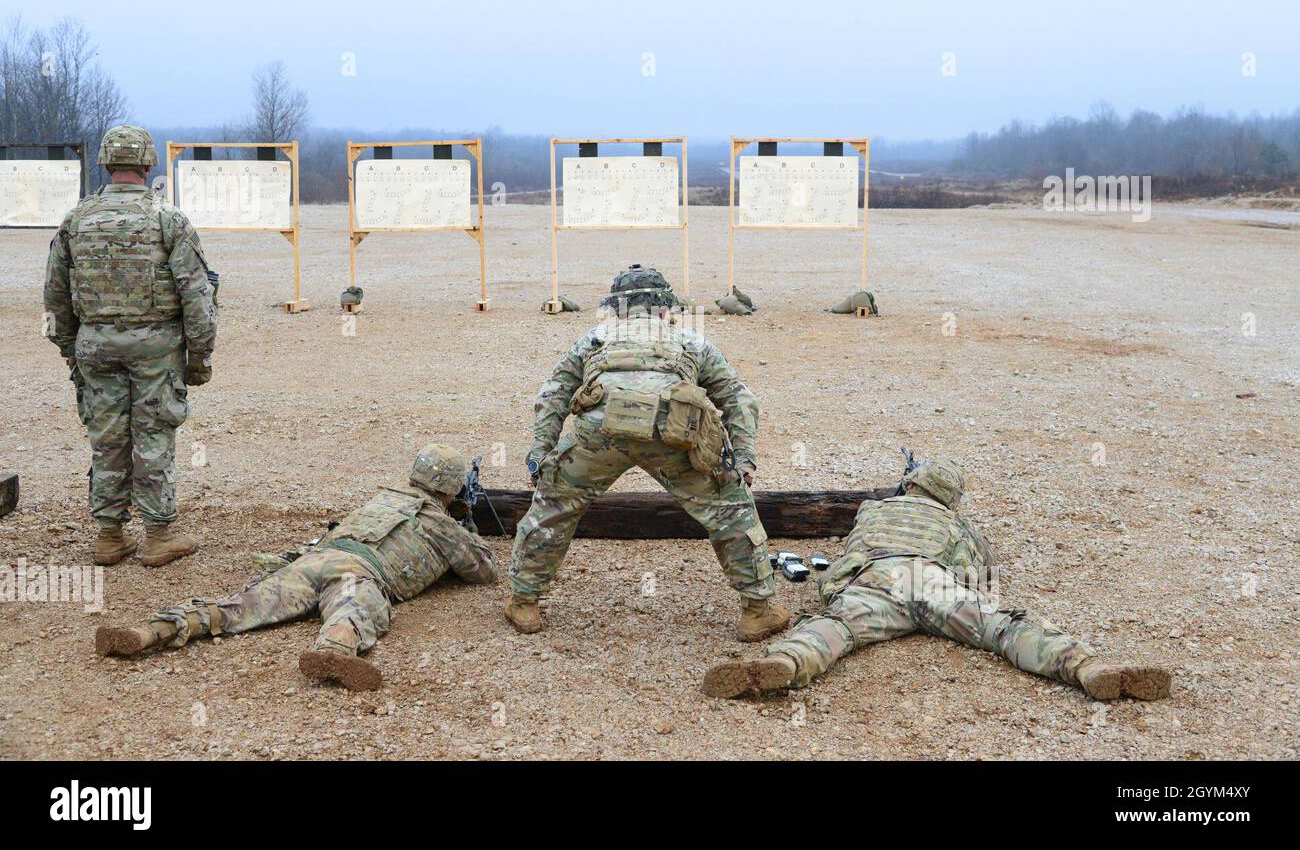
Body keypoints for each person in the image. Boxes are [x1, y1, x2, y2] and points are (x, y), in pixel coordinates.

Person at [701, 458, 1172, 702]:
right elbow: (979, 574)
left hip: (875, 580)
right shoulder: (957, 525)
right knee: (1004, 629)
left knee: (836, 631)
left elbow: (851, 553)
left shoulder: (875, 508)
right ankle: (1085, 668)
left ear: (909, 486)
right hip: (931, 582)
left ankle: (785, 663)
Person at [507, 264, 788, 642]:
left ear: (617, 309)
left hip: (598, 431)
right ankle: (758, 611)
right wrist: (742, 460)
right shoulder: (692, 341)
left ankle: (524, 603)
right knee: (729, 510)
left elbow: (552, 396)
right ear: (664, 308)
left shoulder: (593, 340)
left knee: (553, 509)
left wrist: (540, 455)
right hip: (672, 432)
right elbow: (739, 400)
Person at [95, 443, 498, 691]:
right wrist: (462, 527)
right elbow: (483, 573)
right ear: (451, 488)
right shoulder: (440, 524)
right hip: (358, 571)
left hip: (313, 561)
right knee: (356, 609)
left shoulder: (382, 498)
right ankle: (334, 651)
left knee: (239, 607)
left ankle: (149, 632)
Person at [43, 125, 217, 567]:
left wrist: (72, 350)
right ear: (147, 164)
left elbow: (56, 296)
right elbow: (196, 296)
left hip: (95, 346)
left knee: (106, 438)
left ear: (105, 163)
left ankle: (109, 535)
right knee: (153, 434)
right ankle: (157, 535)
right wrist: (198, 359)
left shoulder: (76, 219)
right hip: (156, 347)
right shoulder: (168, 219)